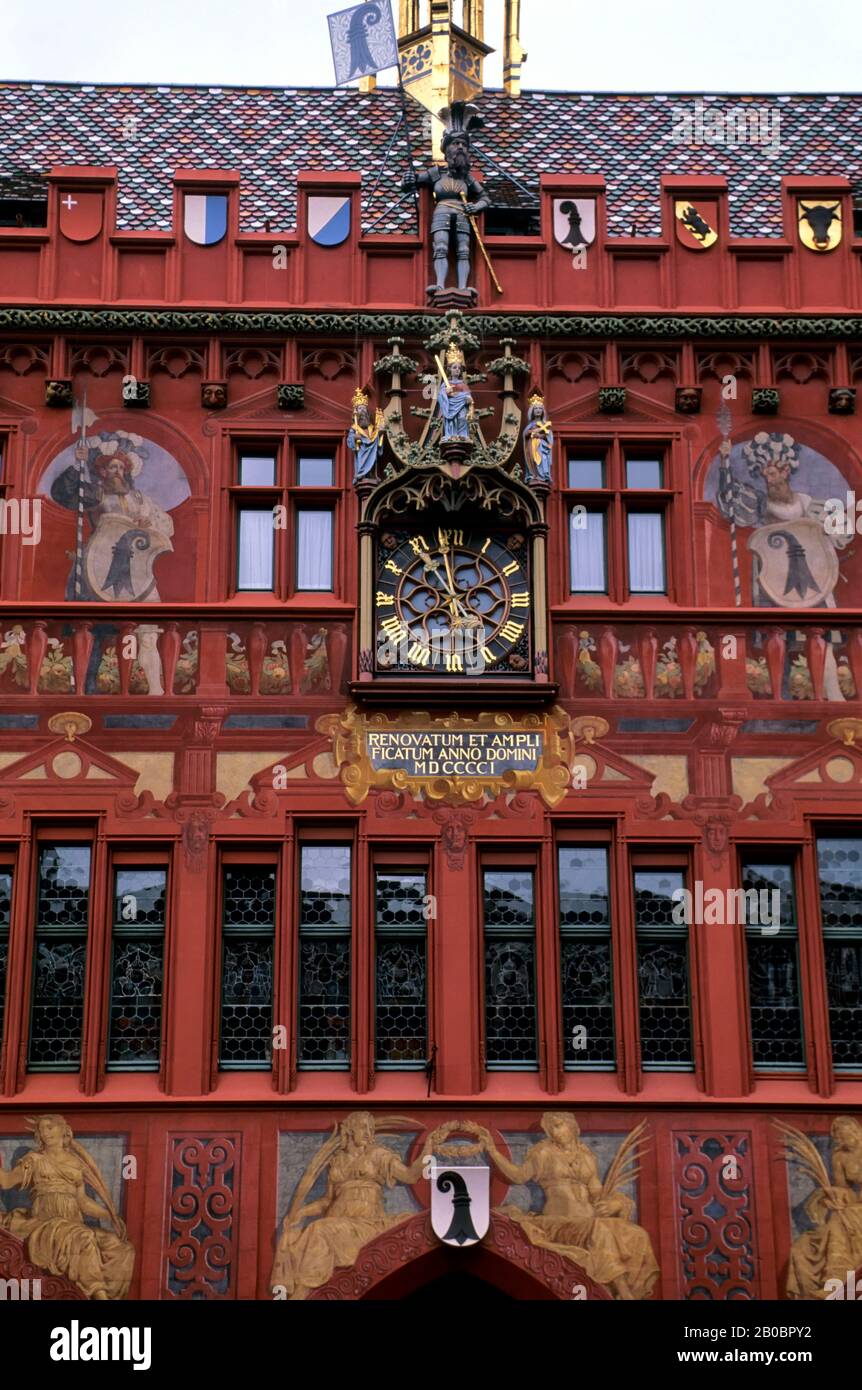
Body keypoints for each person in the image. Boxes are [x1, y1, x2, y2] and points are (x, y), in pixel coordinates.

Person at [471, 1111, 659, 1300]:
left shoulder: (587, 1156)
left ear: (573, 1127)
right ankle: (624, 1292)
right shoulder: (543, 1152)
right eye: (550, 1128)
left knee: (638, 1234)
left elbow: (597, 1193)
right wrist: (493, 1151)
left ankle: (628, 1290)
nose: (554, 1132)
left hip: (587, 1219)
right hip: (559, 1223)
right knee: (600, 1230)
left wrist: (615, 1203)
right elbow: (518, 1176)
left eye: (558, 1125)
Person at [271, 1111, 433, 1301]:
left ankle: (303, 1291)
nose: (368, 1132)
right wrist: (302, 1212)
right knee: (300, 1232)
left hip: (365, 1225)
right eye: (363, 1127)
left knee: (319, 1230)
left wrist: (426, 1153)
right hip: (339, 1223)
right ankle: (293, 1288)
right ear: (349, 1130)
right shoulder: (337, 1161)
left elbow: (409, 1176)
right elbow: (327, 1201)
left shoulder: (379, 1155)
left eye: (371, 1128)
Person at [0, 1113, 134, 1300]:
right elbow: (6, 1182)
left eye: (50, 1127)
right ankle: (99, 1296)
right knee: (83, 1238)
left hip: (72, 1224)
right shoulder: (34, 1160)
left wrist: (110, 1216)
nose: (45, 1133)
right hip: (47, 1225)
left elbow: (83, 1202)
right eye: (41, 1129)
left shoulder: (76, 1164)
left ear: (64, 1130)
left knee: (120, 1247)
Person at [402, 102, 489, 295]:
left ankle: (463, 287)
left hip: (462, 214)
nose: (459, 147)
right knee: (440, 247)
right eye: (455, 143)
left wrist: (475, 208)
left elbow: (485, 197)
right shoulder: (436, 173)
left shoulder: (466, 178)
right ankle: (440, 284)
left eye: (463, 144)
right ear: (446, 148)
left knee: (464, 250)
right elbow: (413, 182)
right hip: (441, 212)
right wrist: (408, 179)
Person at [787, 1115, 862, 1299]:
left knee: (843, 1219)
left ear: (856, 1131)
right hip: (856, 1207)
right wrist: (834, 1197)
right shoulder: (839, 1156)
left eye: (846, 1136)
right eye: (839, 1138)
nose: (843, 1141)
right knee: (829, 1226)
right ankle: (836, 1280)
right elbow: (845, 1190)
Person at [436, 344, 474, 441]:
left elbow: (469, 397)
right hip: (450, 408)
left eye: (459, 368)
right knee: (451, 421)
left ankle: (462, 435)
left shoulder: (463, 384)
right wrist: (445, 392)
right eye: (454, 367)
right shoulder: (446, 384)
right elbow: (440, 396)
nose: (457, 369)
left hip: (461, 406)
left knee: (462, 418)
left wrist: (467, 399)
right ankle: (451, 435)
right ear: (449, 370)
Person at [347, 389, 384, 483]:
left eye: (364, 409)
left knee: (373, 459)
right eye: (359, 409)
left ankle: (373, 475)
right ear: (356, 413)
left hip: (372, 450)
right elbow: (350, 441)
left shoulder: (371, 428)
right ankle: (361, 473)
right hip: (362, 452)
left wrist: (380, 433)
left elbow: (377, 440)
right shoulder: (354, 428)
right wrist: (354, 438)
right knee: (361, 461)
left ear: (367, 412)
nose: (362, 411)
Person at [523, 392, 554, 484]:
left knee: (543, 459)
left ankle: (543, 475)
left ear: (543, 411)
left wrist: (540, 436)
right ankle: (533, 474)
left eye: (540, 408)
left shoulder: (545, 424)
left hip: (542, 446)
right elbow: (525, 434)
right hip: (532, 446)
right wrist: (532, 432)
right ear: (532, 410)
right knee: (533, 460)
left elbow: (549, 436)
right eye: (536, 408)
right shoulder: (531, 425)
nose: (538, 410)